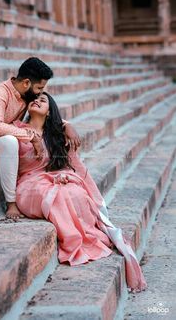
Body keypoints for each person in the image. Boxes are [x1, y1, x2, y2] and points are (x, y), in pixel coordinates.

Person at [14, 92, 147, 293]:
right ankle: (72, 240)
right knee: (59, 195)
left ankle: (83, 235)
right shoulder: (17, 130)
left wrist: (66, 127)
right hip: (27, 185)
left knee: (76, 192)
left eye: (43, 100)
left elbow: (75, 165)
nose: (37, 100)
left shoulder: (57, 136)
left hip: (53, 177)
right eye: (35, 98)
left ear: (50, 112)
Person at [0, 57, 81, 221]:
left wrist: (66, 125)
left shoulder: (27, 94)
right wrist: (31, 136)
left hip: (5, 145)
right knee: (10, 142)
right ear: (26, 83)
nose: (40, 92)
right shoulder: (0, 93)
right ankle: (11, 203)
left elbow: (46, 111)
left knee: (26, 143)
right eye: (39, 87)